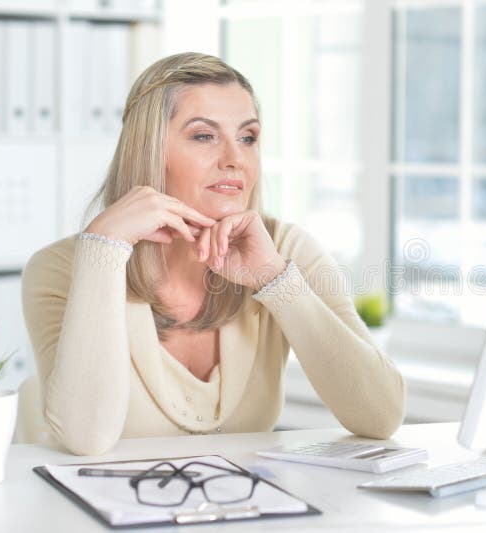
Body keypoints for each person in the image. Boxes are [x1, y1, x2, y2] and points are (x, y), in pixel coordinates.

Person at [21, 52, 405, 456]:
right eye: (204, 136)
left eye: (248, 137)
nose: (235, 160)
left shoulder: (286, 251)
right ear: (149, 151)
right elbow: (85, 437)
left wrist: (277, 282)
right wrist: (104, 250)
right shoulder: (61, 269)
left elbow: (381, 416)